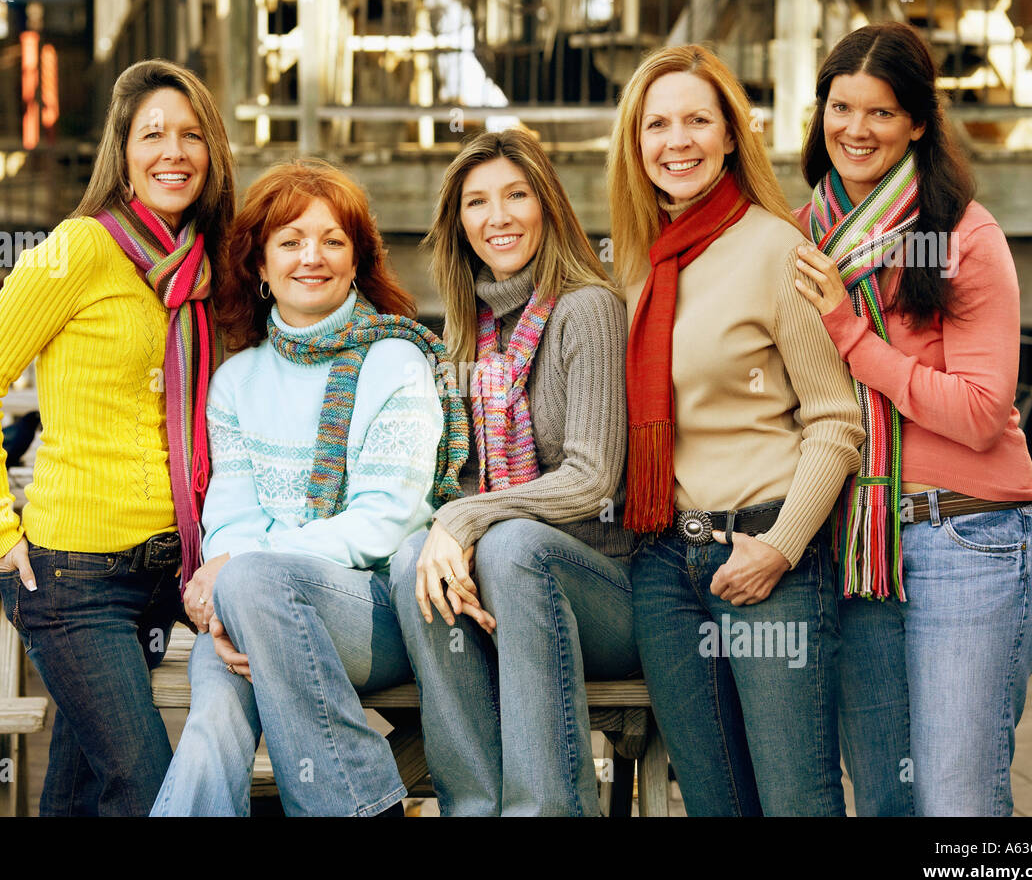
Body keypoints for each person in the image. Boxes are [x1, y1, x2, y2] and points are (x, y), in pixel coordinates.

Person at [0, 59, 235, 815]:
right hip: (74, 577)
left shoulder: (208, 268)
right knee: (143, 783)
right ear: (124, 151)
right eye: (153, 135)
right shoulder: (78, 250)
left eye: (191, 135)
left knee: (81, 790)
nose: (173, 151)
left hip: (170, 568)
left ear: (212, 154)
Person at [150, 159, 468, 817]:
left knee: (247, 584)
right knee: (213, 718)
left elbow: (384, 521)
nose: (311, 258)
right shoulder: (237, 382)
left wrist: (240, 579)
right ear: (260, 266)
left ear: (358, 260)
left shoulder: (397, 363)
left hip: (375, 610)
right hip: (257, 603)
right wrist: (236, 586)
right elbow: (231, 518)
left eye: (332, 241)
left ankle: (352, 804)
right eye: (290, 241)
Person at [792, 22, 1032, 817]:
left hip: (966, 537)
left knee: (956, 803)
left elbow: (979, 413)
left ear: (918, 125)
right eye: (841, 108)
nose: (855, 130)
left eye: (881, 113)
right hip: (858, 550)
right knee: (887, 800)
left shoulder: (962, 236)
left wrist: (851, 334)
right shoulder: (804, 238)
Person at [606, 45, 865, 816]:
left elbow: (835, 420)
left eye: (696, 120)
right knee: (716, 803)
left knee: (795, 800)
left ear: (730, 135)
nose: (675, 140)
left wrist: (781, 547)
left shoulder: (775, 248)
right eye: (657, 124)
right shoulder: (637, 264)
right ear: (636, 142)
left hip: (768, 559)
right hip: (665, 568)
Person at [388, 129, 637, 817]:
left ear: (548, 205)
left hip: (605, 591)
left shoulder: (588, 308)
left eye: (516, 195)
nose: (497, 217)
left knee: (510, 543)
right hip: (506, 585)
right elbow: (462, 480)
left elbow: (591, 478)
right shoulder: (470, 331)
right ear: (458, 223)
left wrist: (464, 520)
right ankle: (472, 807)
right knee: (415, 558)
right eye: (476, 202)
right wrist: (447, 527)